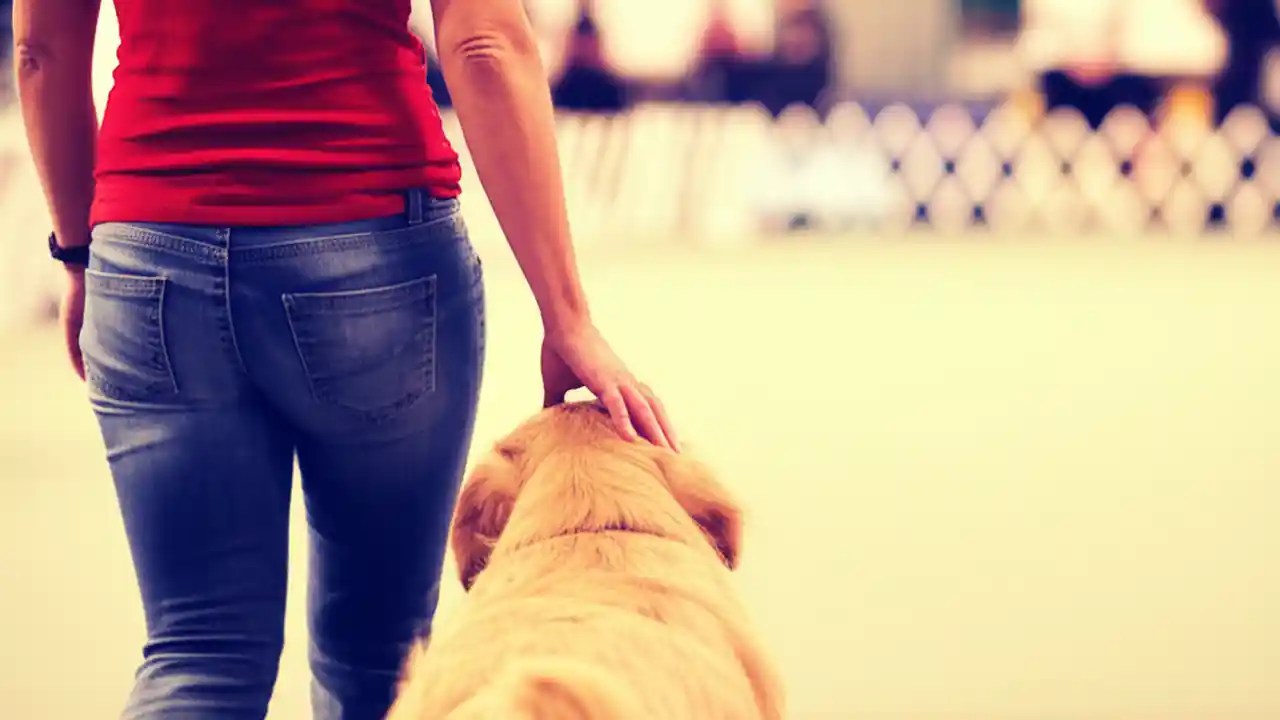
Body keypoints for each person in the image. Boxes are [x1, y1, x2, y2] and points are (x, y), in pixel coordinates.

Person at [13, 1, 678, 719]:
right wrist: (566, 315)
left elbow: (41, 51)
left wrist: (81, 258)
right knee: (377, 656)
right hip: (372, 247)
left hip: (150, 254)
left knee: (194, 654)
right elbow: (485, 41)